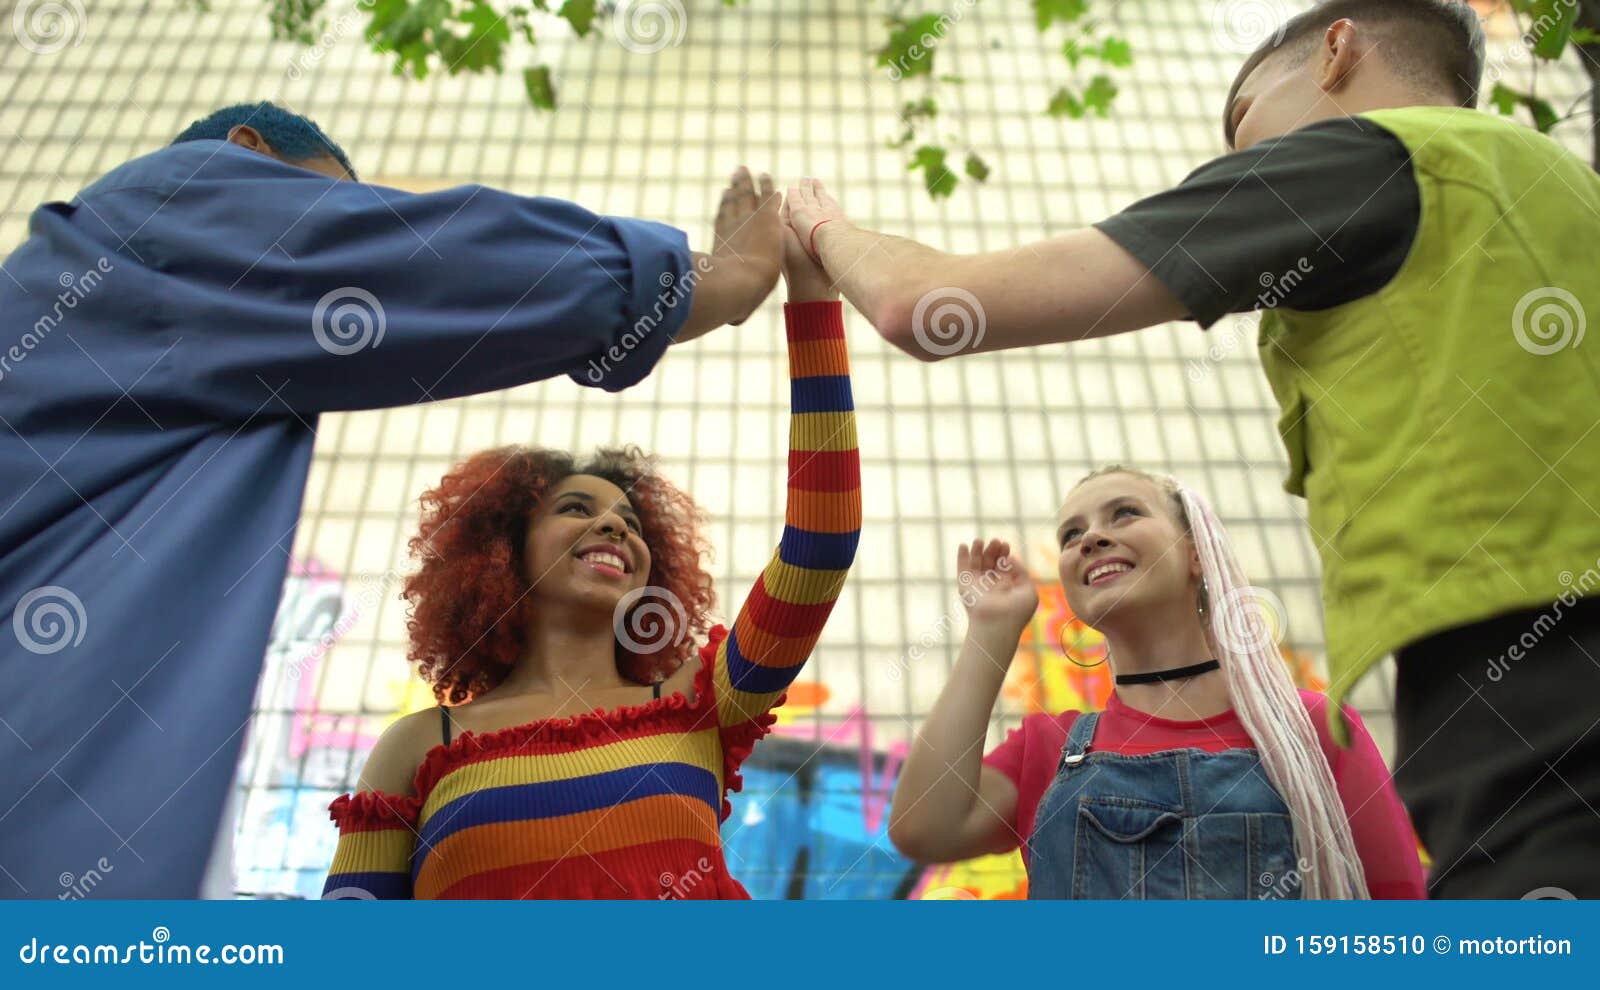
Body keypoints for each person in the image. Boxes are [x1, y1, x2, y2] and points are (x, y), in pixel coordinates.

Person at [792, 0, 1600, 898]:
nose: (1236, 162)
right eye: (1071, 532)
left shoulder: (1375, 158)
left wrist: (821, 227)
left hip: (1539, 689)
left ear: (1337, 51)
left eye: (1243, 117)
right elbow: (924, 822)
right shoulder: (1557, 191)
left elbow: (928, 307)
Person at [0, 100, 785, 898]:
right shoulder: (168, 210)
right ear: (242, 154)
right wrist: (706, 280)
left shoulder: (96, 313)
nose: (348, 234)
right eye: (333, 206)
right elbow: (434, 261)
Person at [319, 204, 860, 898]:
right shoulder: (420, 746)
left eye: (631, 523)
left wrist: (812, 304)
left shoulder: (702, 701)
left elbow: (820, 545)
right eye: (577, 510)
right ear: (499, 555)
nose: (616, 530)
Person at [888, 466, 1424, 899]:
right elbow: (923, 827)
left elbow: (1396, 913)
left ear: (1196, 554)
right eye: (1071, 534)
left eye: (1125, 513)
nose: (1091, 538)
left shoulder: (1311, 728)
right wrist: (992, 629)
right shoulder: (1048, 748)